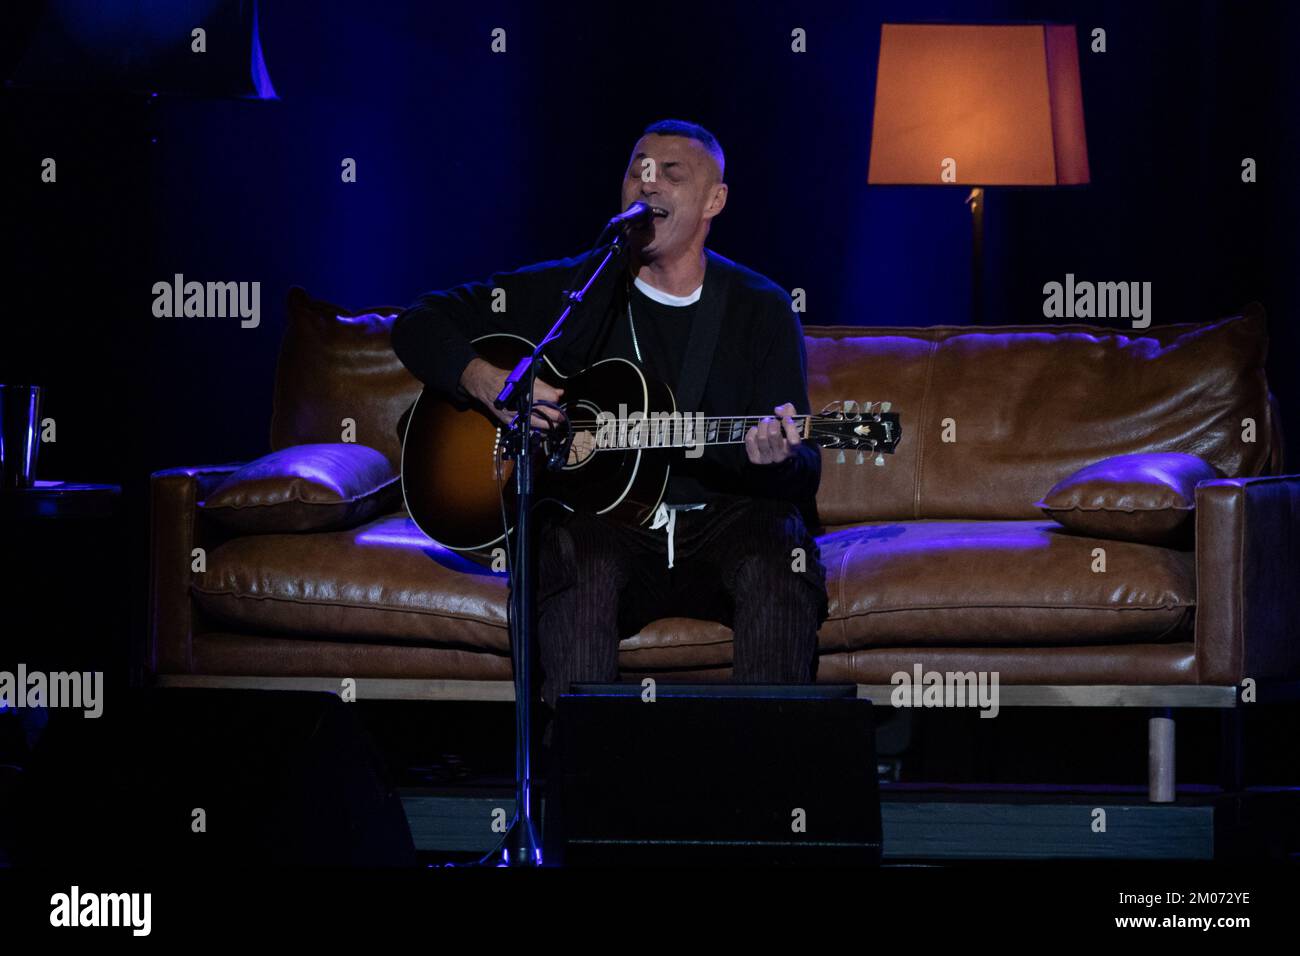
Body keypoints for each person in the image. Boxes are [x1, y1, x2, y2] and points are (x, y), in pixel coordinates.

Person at [391, 119, 829, 722]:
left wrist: (778, 458)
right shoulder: (578, 288)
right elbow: (418, 320)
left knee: (779, 559)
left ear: (713, 200)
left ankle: (768, 800)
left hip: (729, 519)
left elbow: (803, 465)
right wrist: (493, 385)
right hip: (610, 525)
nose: (647, 184)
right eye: (637, 169)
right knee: (573, 558)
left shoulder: (761, 307)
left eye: (671, 173)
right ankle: (580, 798)